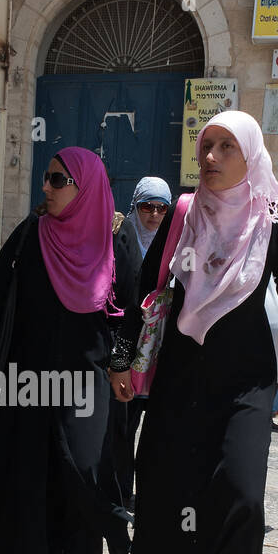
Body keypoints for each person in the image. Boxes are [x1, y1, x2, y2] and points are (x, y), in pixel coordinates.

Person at [108, 110, 278, 554]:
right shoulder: (182, 214)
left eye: (227, 147)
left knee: (241, 492)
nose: (211, 157)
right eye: (206, 145)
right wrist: (123, 359)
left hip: (246, 385)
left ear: (251, 157)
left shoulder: (275, 227)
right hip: (180, 377)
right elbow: (142, 290)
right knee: (167, 483)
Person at [0, 147, 131, 554]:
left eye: (58, 180)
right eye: (46, 178)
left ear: (85, 189)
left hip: (86, 377)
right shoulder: (30, 234)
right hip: (27, 374)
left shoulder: (113, 245)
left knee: (83, 463)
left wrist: (119, 368)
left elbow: (130, 316)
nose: (47, 187)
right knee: (28, 463)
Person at [110, 176, 172, 506]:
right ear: (135, 205)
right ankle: (119, 493)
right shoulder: (120, 238)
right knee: (123, 424)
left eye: (162, 208)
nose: (154, 214)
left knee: (157, 429)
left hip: (159, 349)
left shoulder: (175, 244)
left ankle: (147, 494)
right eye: (147, 206)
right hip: (128, 346)